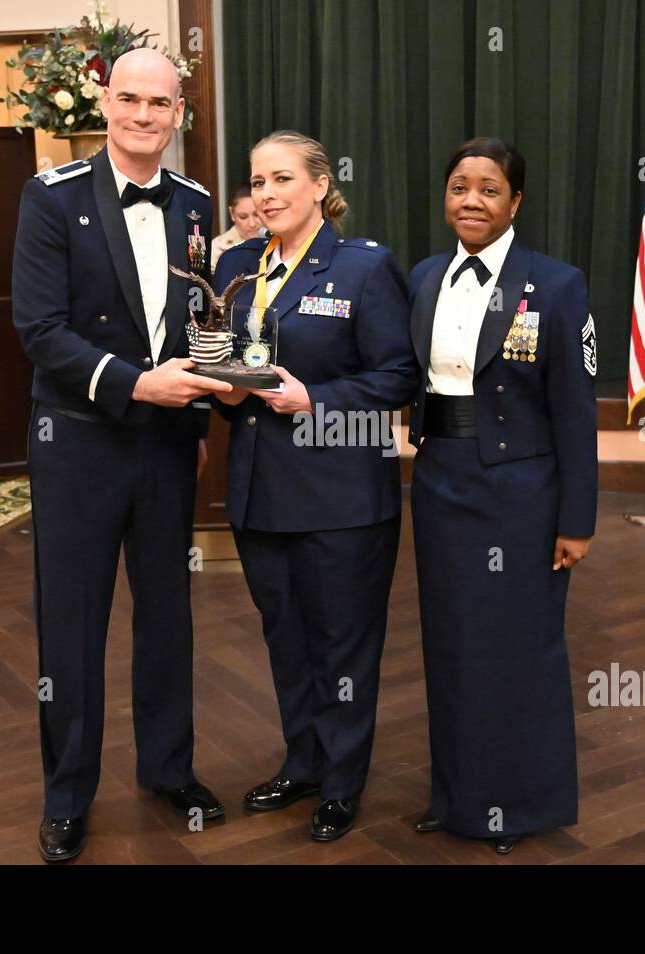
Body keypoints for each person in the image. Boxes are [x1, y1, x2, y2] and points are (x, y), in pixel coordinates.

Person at [11, 48, 234, 863]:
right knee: (71, 624)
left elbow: (203, 323)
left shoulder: (199, 204)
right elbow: (39, 331)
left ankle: (169, 768)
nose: (144, 116)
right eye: (130, 100)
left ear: (181, 113)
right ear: (106, 101)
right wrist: (140, 386)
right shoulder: (50, 196)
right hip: (78, 442)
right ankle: (67, 796)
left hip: (170, 445)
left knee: (168, 616)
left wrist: (219, 389)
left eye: (160, 104)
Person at [212, 130, 418, 842]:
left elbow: (398, 376)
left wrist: (316, 400)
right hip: (258, 489)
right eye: (256, 182)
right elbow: (228, 359)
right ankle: (301, 760)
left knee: (342, 644)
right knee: (286, 638)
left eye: (280, 180)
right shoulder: (239, 266)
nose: (265, 194)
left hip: (340, 494)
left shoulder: (364, 267)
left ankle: (341, 781)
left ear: (319, 187)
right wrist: (224, 390)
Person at [407, 137, 597, 854]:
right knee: (451, 647)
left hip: (520, 494)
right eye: (459, 186)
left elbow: (576, 414)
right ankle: (454, 798)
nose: (472, 201)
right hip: (440, 485)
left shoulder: (555, 284)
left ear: (515, 202)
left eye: (489, 189)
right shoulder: (425, 275)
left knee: (518, 651)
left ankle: (517, 806)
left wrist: (577, 519)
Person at [210, 184, 264, 269]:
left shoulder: (279, 242)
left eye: (256, 215)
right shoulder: (216, 248)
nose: (252, 224)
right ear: (232, 213)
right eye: (243, 217)